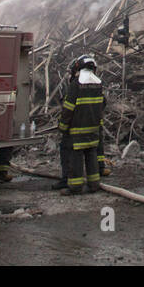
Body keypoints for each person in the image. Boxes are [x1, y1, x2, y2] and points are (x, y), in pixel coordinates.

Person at [56, 55, 106, 194]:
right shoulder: (98, 84)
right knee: (91, 156)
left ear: (78, 68)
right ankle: (94, 185)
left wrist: (63, 126)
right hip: (94, 129)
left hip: (77, 130)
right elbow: (102, 105)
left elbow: (68, 109)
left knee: (75, 158)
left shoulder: (76, 84)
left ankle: (75, 187)